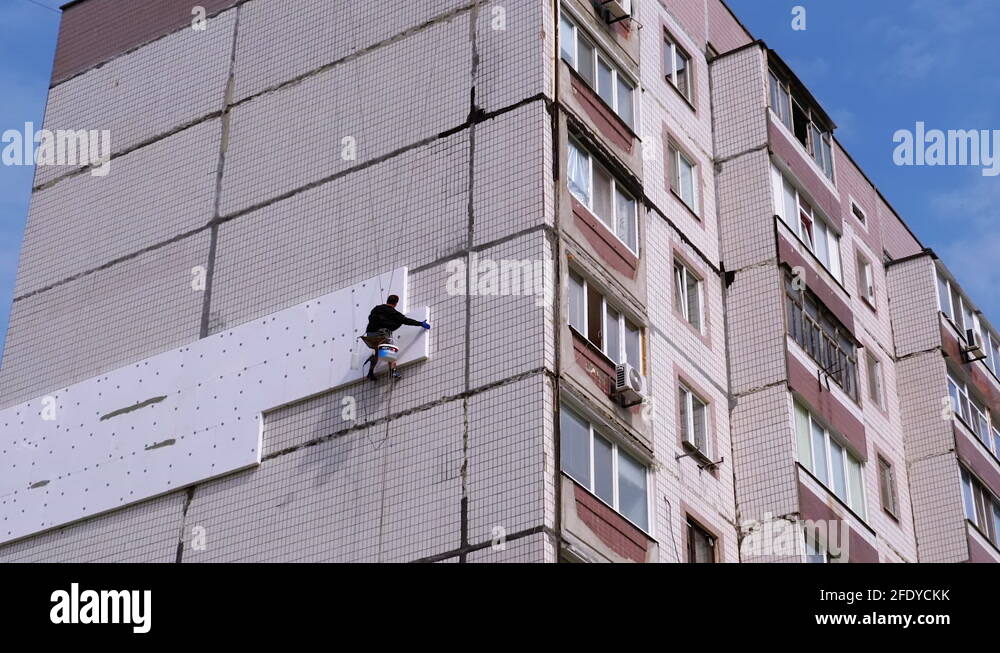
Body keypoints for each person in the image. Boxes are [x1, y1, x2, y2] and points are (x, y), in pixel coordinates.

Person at [361, 295, 430, 380]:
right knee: (390, 350)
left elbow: (371, 318)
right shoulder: (393, 313)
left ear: (387, 300)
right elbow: (406, 321)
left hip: (370, 337)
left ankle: (370, 373)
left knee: (377, 352)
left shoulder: (376, 308)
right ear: (396, 303)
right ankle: (393, 372)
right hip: (380, 336)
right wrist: (420, 323)